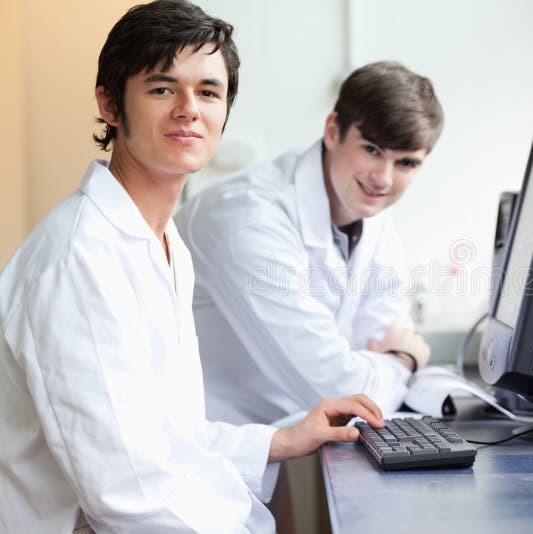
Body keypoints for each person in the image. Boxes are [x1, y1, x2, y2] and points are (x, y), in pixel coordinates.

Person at [0, 1, 384, 532]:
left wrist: (283, 438)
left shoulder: (161, 241)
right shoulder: (80, 261)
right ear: (110, 105)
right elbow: (127, 493)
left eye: (208, 91)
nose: (189, 109)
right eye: (162, 89)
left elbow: (167, 435)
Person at [174, 61, 444, 425]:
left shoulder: (368, 206)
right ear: (333, 131)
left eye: (406, 163)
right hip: (213, 439)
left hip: (280, 432)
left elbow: (387, 328)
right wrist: (404, 361)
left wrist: (385, 360)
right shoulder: (249, 220)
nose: (383, 178)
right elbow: (339, 393)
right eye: (371, 150)